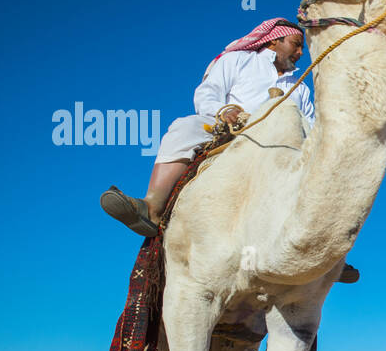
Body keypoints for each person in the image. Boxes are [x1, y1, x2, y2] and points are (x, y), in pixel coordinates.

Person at [100, 18, 315, 236]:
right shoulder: (238, 60)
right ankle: (151, 207)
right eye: (296, 44)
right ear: (273, 42)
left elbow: (310, 122)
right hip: (233, 128)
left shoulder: (301, 88)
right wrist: (223, 111)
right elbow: (208, 92)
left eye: (301, 48)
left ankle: (319, 242)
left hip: (284, 143)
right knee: (184, 127)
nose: (300, 52)